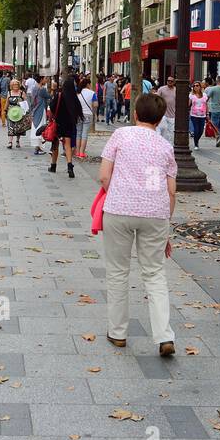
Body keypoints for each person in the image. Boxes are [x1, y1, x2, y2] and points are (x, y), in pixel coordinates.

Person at [99, 92, 178, 357]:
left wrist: (121, 191)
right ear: (160, 119)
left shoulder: (120, 136)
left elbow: (104, 176)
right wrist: (165, 223)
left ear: (135, 113)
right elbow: (170, 191)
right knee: (154, 273)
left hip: (119, 210)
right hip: (155, 213)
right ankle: (164, 335)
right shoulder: (165, 147)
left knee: (118, 271)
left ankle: (118, 332)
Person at [49, 72, 80, 177]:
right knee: (67, 144)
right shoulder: (74, 97)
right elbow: (77, 111)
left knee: (55, 144)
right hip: (69, 123)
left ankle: (53, 165)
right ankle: (70, 166)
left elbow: (52, 107)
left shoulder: (59, 95)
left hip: (58, 123)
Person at [5, 78, 30, 149]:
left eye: (16, 84)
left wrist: (26, 111)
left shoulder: (22, 93)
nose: (15, 86)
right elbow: (7, 102)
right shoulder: (9, 93)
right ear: (11, 86)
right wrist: (5, 110)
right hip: (10, 112)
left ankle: (17, 141)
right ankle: (10, 142)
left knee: (18, 127)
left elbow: (25, 103)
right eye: (14, 85)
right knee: (10, 127)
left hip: (19, 113)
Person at [76, 76, 97, 158]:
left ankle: (77, 152)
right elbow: (95, 105)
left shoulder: (78, 93)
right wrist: (94, 113)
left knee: (78, 133)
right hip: (88, 114)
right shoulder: (92, 93)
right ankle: (82, 152)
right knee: (84, 134)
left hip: (79, 114)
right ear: (88, 84)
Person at [30, 75, 50, 155]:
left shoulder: (34, 88)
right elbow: (49, 97)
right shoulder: (42, 89)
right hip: (41, 110)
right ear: (41, 79)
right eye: (45, 78)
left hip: (35, 110)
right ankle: (38, 148)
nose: (47, 80)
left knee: (36, 127)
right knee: (41, 127)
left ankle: (37, 147)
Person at [154, 76, 177, 140]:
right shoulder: (162, 89)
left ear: (174, 82)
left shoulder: (176, 90)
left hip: (172, 115)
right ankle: (160, 143)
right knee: (160, 130)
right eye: (168, 81)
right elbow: (156, 98)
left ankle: (168, 145)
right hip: (163, 114)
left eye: (171, 81)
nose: (169, 82)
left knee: (171, 132)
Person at [187, 81, 208, 147]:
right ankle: (196, 144)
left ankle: (197, 140)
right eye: (194, 86)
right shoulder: (191, 95)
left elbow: (206, 105)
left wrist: (207, 114)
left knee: (201, 131)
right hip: (194, 115)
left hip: (202, 116)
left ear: (200, 87)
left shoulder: (204, 95)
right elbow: (188, 104)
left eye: (197, 85)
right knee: (196, 130)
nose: (195, 87)